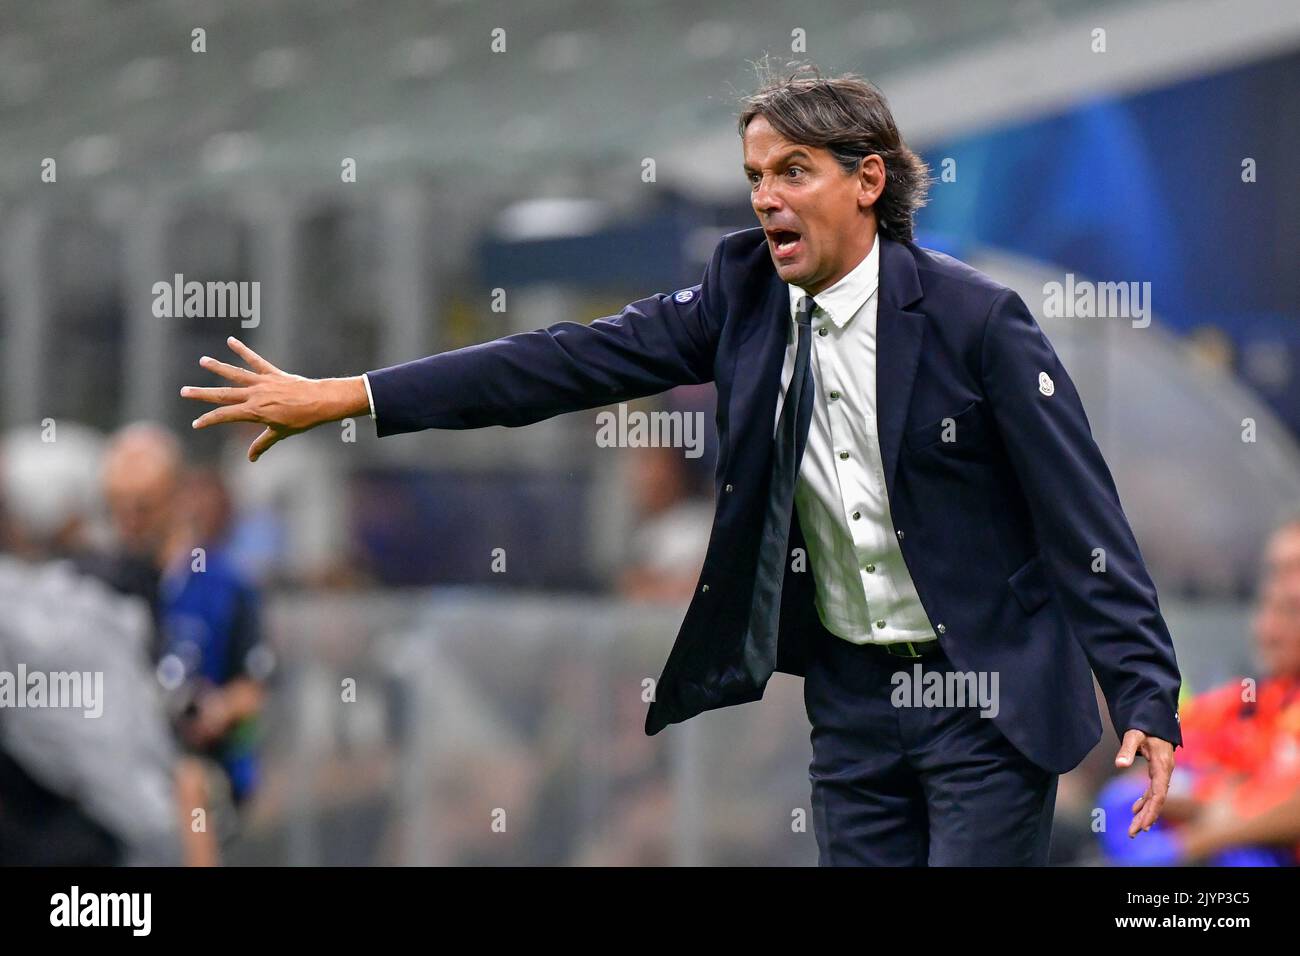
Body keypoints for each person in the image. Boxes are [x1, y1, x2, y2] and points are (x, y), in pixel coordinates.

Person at [180, 62, 1182, 865]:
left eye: (793, 171)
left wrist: (1142, 694)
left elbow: (1080, 516)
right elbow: (553, 363)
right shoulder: (739, 296)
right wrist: (354, 395)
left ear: (866, 179)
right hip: (851, 707)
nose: (765, 199)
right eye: (755, 177)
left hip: (982, 700)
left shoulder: (977, 320)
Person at [1097, 517, 1300, 865]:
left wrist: (1196, 842)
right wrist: (1216, 796)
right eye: (1276, 571)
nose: (1269, 628)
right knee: (1120, 804)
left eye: (1293, 569)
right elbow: (1166, 766)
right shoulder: (1255, 699)